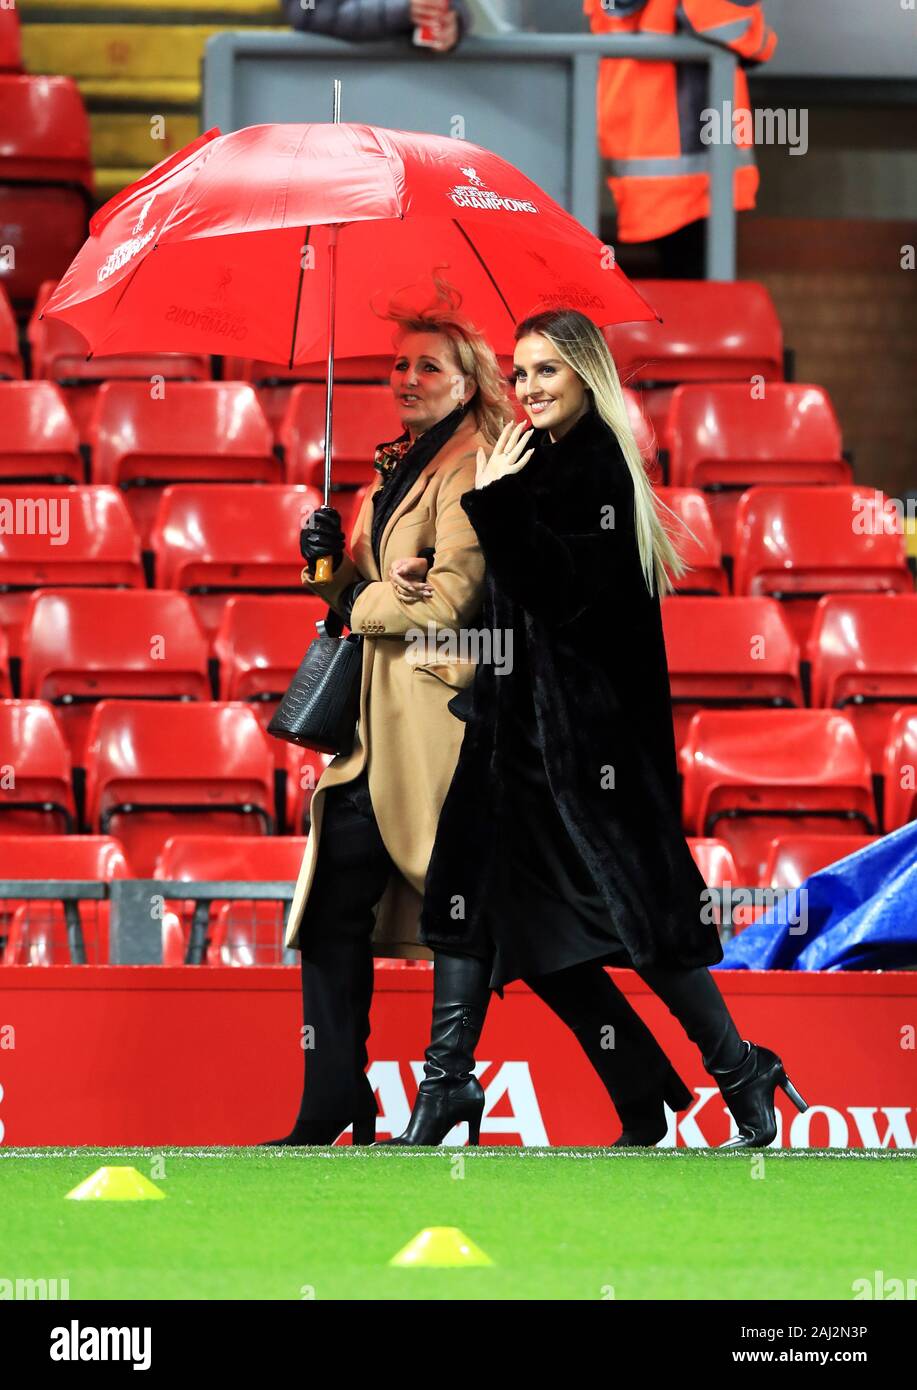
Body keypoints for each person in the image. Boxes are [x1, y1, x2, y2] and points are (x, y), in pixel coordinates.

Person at [382, 306, 807, 1149]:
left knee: (643, 923)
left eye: (546, 370)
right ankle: (450, 1087)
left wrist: (497, 505)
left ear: (585, 376)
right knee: (478, 908)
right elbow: (512, 600)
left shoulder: (598, 466)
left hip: (589, 747)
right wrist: (419, 572)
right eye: (520, 371)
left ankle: (736, 1068)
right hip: (511, 736)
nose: (529, 387)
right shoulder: (528, 458)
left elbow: (561, 595)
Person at [583, 0, 777, 277]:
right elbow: (735, 29)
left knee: (672, 283)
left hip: (641, 144)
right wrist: (761, 36)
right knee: (696, 292)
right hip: (688, 160)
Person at [283, 0, 470, 52]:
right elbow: (308, 11)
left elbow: (459, 7)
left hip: (419, 86)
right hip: (331, 82)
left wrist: (455, 20)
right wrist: (403, 10)